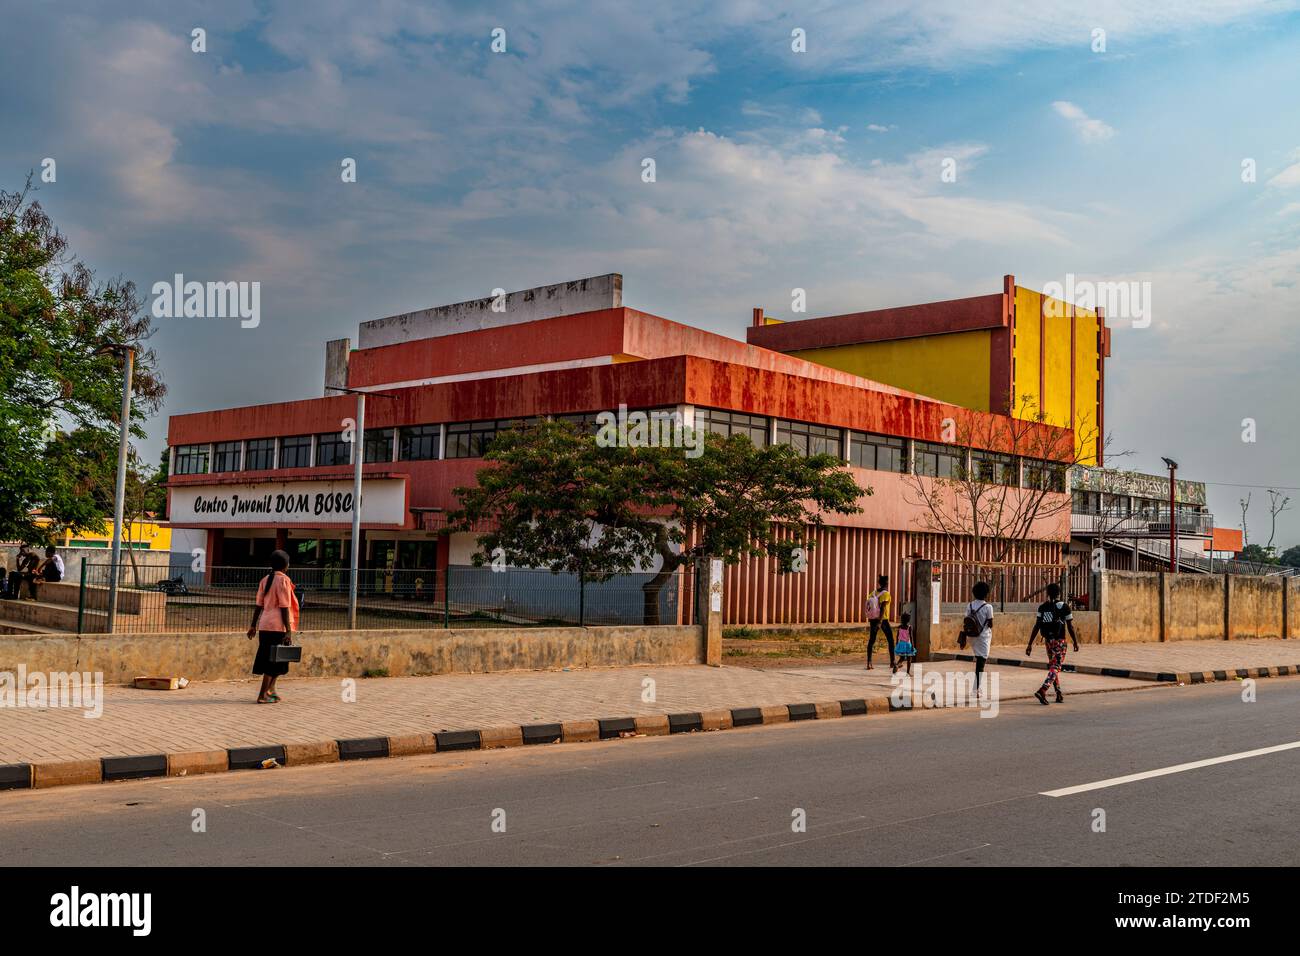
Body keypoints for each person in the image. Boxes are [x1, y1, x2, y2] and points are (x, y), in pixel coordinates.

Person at [247, 550, 300, 704]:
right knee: (274, 661)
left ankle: (271, 690)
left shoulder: (265, 580)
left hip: (265, 625)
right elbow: (284, 606)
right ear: (285, 566)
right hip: (278, 626)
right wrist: (288, 630)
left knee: (277, 659)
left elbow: (259, 605)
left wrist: (253, 625)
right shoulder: (283, 580)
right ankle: (263, 694)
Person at [1026, 582, 1079, 705]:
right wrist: (1075, 642)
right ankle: (1043, 690)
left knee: (1053, 667)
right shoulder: (1064, 607)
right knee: (1056, 667)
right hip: (1059, 641)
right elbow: (1070, 626)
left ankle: (1059, 693)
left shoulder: (1043, 607)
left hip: (1048, 641)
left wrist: (1029, 644)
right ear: (1059, 593)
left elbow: (1037, 626)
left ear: (1048, 593)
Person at [962, 581, 994, 696]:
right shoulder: (988, 607)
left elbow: (966, 620)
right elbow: (990, 624)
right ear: (986, 594)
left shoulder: (969, 605)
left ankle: (976, 688)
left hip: (971, 636)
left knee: (979, 661)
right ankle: (976, 689)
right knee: (981, 663)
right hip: (983, 637)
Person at [864, 574, 894, 671]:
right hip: (883, 620)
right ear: (886, 583)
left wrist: (874, 621)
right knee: (890, 640)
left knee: (871, 640)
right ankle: (892, 662)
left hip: (873, 619)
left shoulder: (873, 593)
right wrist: (880, 622)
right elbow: (883, 608)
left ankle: (869, 663)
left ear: (879, 583)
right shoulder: (886, 594)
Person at [893, 611, 916, 675]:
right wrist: (913, 646)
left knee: (902, 658)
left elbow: (897, 636)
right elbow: (911, 637)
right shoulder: (909, 627)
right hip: (908, 644)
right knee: (909, 659)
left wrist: (897, 644)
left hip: (901, 644)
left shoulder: (899, 627)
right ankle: (908, 672)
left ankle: (897, 665)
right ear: (909, 619)